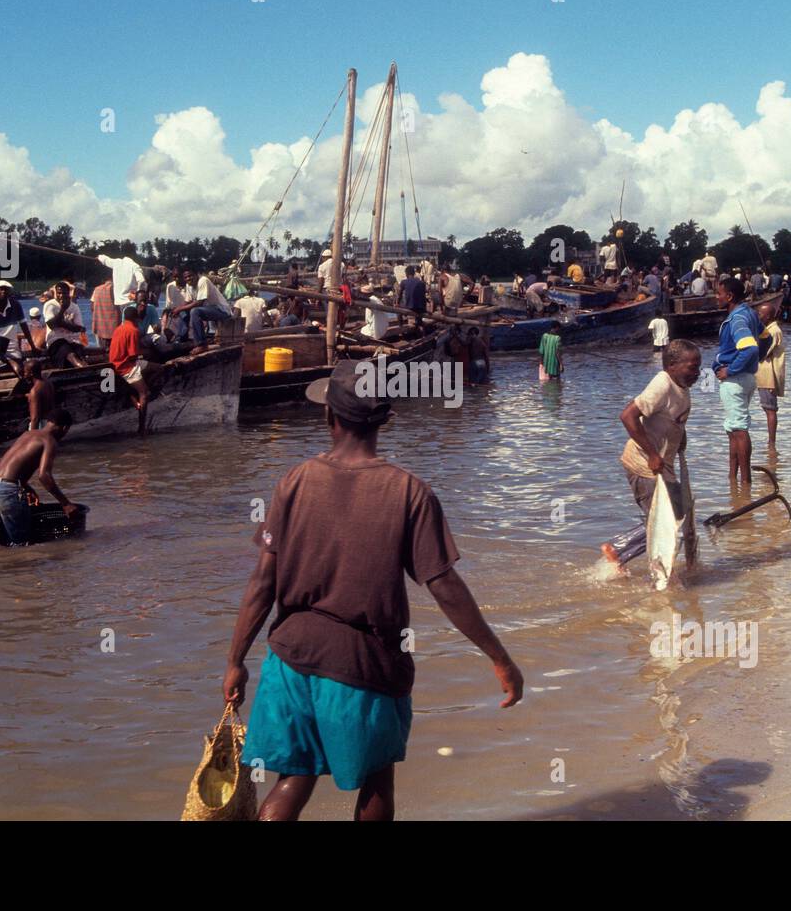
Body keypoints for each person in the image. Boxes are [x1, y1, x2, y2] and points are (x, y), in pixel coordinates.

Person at [223, 360, 522, 821]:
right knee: (376, 780)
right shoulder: (409, 492)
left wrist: (235, 661)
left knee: (294, 778)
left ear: (330, 418)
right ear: (385, 420)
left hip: (289, 658)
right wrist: (499, 658)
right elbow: (444, 586)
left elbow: (262, 582)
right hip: (363, 666)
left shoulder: (294, 481)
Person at [603, 340, 703, 567]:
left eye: (698, 368)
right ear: (671, 365)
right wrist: (652, 454)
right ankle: (618, 550)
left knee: (678, 514)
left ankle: (619, 556)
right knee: (663, 521)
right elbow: (627, 416)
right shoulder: (662, 384)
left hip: (662, 466)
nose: (697, 373)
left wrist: (680, 437)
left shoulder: (681, 386)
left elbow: (672, 418)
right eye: (691, 368)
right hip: (644, 464)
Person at [0, 409, 78, 547]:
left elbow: (14, 466)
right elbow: (44, 476)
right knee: (23, 547)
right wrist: (65, 504)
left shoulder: (28, 434)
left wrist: (26, 487)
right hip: (7, 492)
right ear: (65, 428)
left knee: (3, 545)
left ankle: (2, 568)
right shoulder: (49, 441)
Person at [714, 277, 766, 486]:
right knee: (733, 428)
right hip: (745, 378)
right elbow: (765, 338)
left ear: (729, 296)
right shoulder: (750, 313)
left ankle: (745, 482)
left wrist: (732, 369)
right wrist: (754, 362)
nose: (716, 297)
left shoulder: (736, 319)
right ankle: (733, 482)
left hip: (735, 379)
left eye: (719, 293)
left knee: (739, 429)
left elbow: (751, 347)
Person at [108, 305, 150, 436]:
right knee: (145, 393)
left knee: (157, 368)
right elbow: (133, 355)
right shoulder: (133, 330)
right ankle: (142, 427)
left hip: (116, 364)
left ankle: (134, 393)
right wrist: (146, 351)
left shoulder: (118, 329)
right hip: (126, 366)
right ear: (136, 318)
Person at [755, 302, 785, 453]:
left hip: (768, 375)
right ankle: (771, 442)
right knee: (768, 410)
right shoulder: (769, 329)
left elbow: (762, 352)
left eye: (761, 314)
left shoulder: (773, 331)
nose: (758, 316)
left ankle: (771, 443)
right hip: (764, 375)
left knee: (770, 410)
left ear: (768, 316)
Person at [43, 281, 89, 368]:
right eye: (59, 293)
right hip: (56, 341)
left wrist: (60, 323)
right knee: (70, 354)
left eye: (64, 293)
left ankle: (84, 369)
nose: (61, 296)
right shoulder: (50, 305)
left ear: (68, 293)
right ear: (56, 293)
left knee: (79, 353)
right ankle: (85, 369)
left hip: (72, 340)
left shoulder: (74, 307)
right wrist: (63, 309)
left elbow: (78, 328)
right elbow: (51, 325)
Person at [185, 267, 233, 348]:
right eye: (186, 277)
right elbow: (187, 302)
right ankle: (183, 339)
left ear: (196, 274)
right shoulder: (188, 285)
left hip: (222, 311)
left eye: (190, 276)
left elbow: (200, 302)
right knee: (183, 312)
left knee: (195, 311)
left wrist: (179, 308)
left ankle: (201, 344)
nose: (188, 279)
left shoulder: (203, 280)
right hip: (209, 311)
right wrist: (176, 310)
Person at [23, 358, 56, 431]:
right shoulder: (48, 383)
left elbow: (35, 418)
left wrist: (32, 435)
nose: (24, 375)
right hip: (51, 422)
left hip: (41, 425)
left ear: (31, 373)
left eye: (25, 372)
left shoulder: (35, 391)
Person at [91, 276, 121, 351]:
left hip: (99, 327)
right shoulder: (117, 290)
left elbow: (92, 307)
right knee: (114, 351)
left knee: (101, 351)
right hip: (114, 327)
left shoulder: (97, 289)